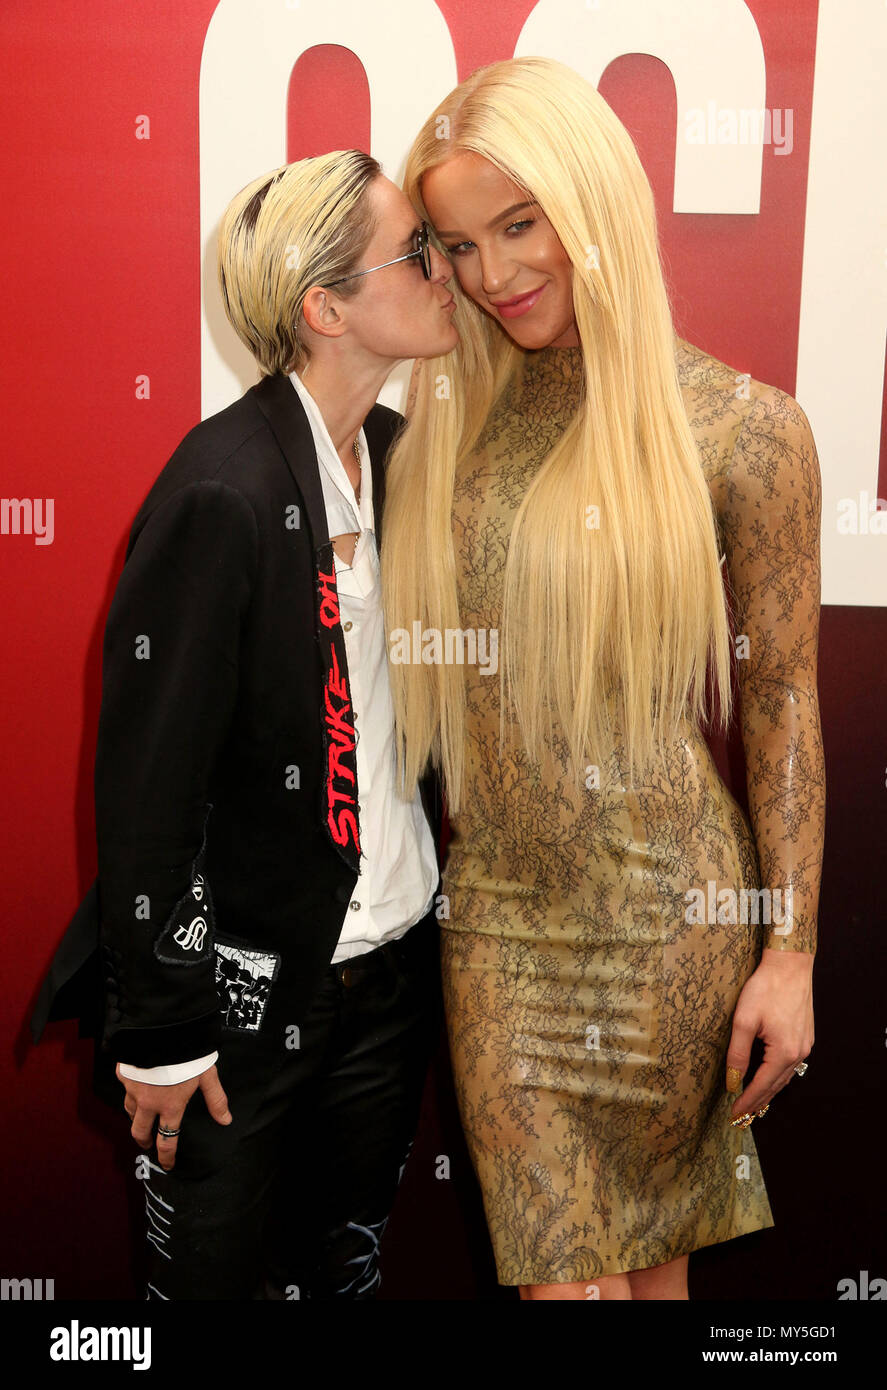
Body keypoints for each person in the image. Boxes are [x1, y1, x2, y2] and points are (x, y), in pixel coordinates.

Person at [380, 57, 824, 1301]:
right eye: (458, 244)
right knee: (559, 1285)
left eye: (519, 225)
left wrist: (785, 954)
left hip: (668, 921)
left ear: (593, 202)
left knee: (650, 1279)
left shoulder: (743, 430)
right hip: (501, 929)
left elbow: (783, 700)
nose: (494, 273)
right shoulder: (440, 434)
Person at [31, 149, 459, 1299]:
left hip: (388, 975)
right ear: (325, 307)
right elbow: (147, 788)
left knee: (345, 1279)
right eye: (414, 253)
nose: (443, 272)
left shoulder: (394, 457)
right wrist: (163, 1030)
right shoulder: (218, 489)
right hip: (242, 1001)